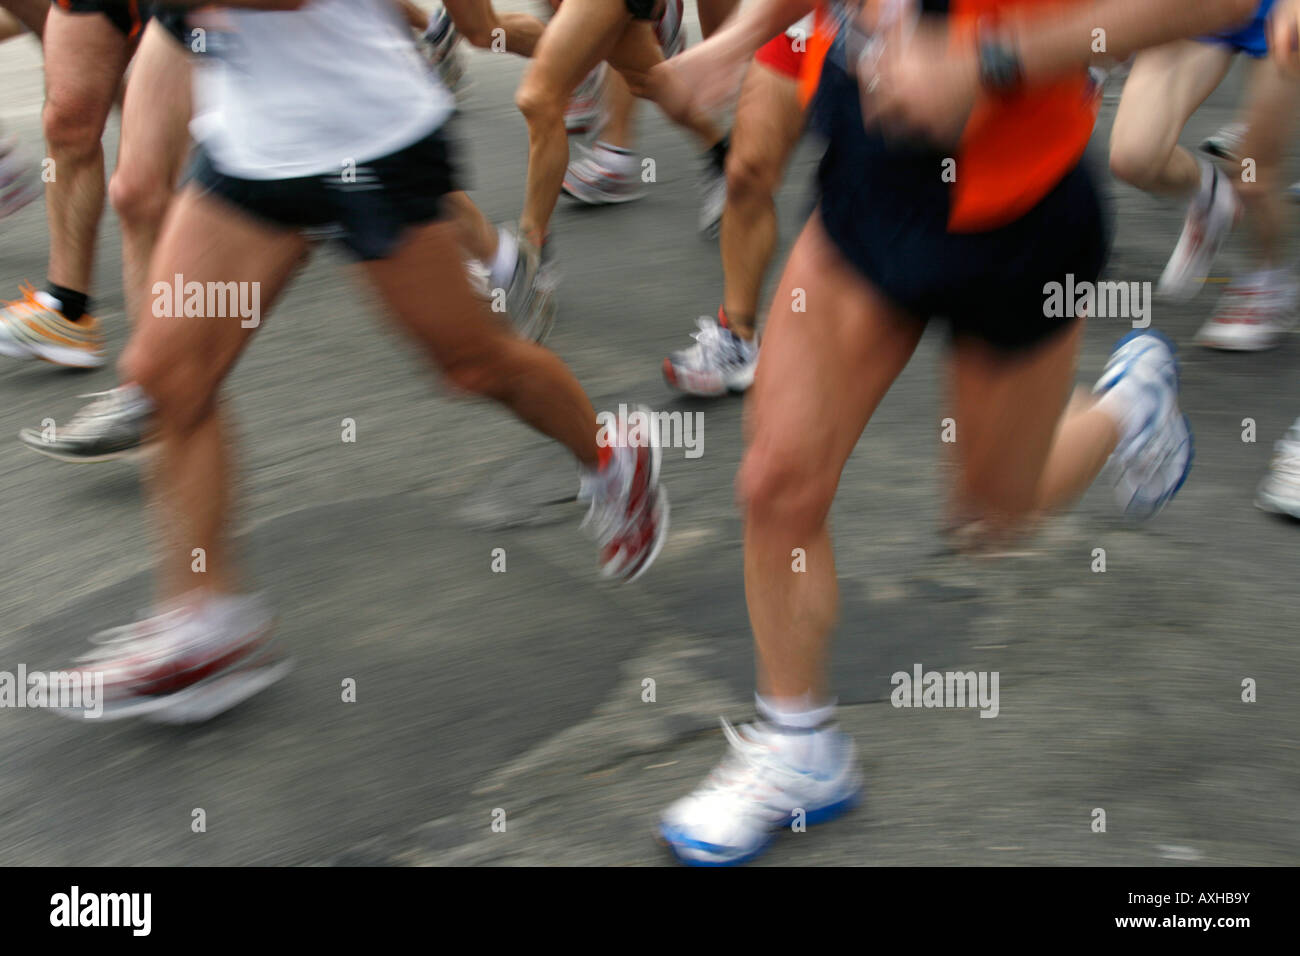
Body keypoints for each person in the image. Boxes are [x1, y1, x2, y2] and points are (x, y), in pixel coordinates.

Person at [649, 0, 1249, 866]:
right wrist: (742, 41)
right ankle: (801, 746)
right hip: (869, 185)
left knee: (988, 522)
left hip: (1019, 223)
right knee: (777, 483)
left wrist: (987, 60)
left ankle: (1126, 405)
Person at [64, 0, 667, 722]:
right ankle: (205, 621)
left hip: (370, 139)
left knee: (471, 366)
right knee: (168, 381)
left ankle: (610, 457)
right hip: (250, 145)